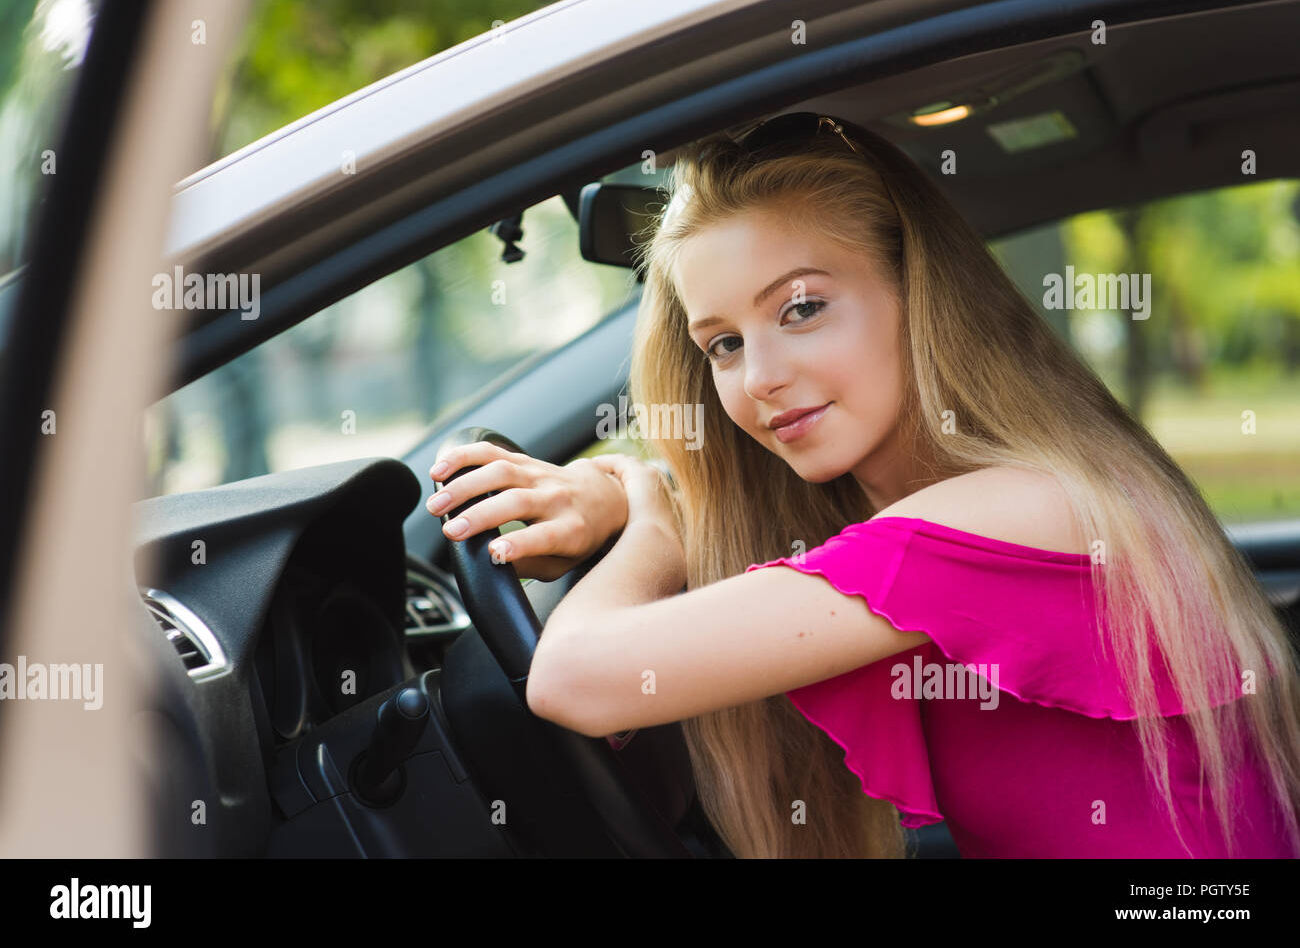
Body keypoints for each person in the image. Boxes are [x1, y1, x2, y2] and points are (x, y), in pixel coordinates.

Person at [425, 113, 1300, 859]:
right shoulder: (1005, 496)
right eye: (723, 343)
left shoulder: (1013, 511)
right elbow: (751, 534)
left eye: (801, 308)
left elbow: (573, 678)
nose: (759, 375)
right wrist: (630, 493)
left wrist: (650, 521)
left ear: (918, 293)